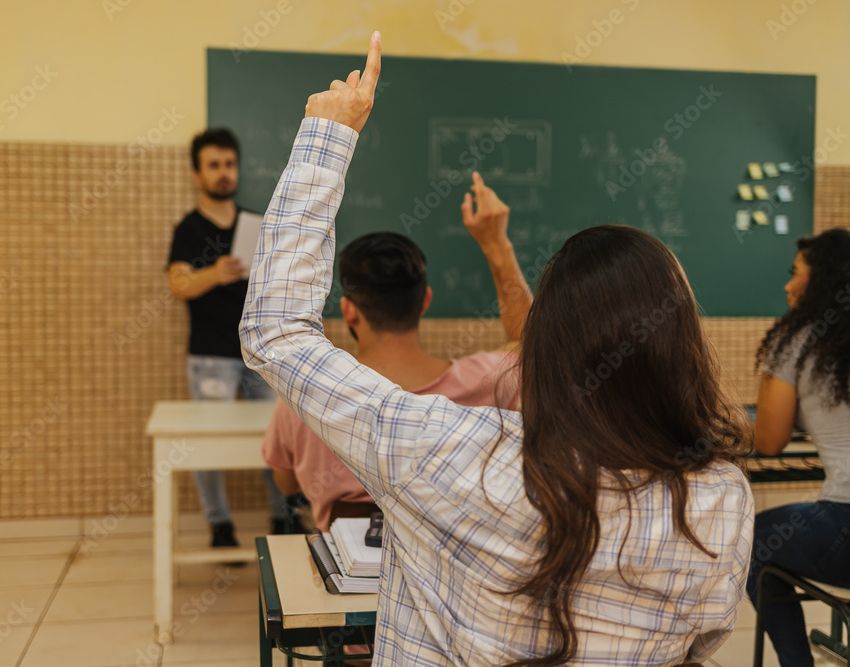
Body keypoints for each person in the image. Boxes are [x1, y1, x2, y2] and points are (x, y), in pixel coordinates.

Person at [240, 32, 754, 665]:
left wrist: (327, 137)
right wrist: (496, 250)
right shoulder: (719, 497)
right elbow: (697, 648)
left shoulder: (448, 450)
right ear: (687, 352)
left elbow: (277, 332)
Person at [261, 176, 529, 532]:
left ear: (349, 311)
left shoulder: (308, 394)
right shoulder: (486, 381)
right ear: (426, 301)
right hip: (447, 571)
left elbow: (286, 483)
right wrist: (497, 244)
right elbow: (533, 344)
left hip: (346, 577)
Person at [748, 227, 850, 666]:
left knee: (751, 540)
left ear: (824, 282)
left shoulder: (797, 342)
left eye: (796, 275)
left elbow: (769, 442)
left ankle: (796, 663)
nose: (788, 285)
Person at [166, 128, 288, 548]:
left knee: (275, 437)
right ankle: (220, 526)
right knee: (209, 444)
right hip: (210, 358)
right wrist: (214, 273)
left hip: (258, 354)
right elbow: (177, 283)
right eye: (214, 165)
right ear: (197, 175)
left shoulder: (254, 224)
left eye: (229, 164)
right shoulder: (189, 228)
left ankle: (284, 518)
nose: (224, 173)